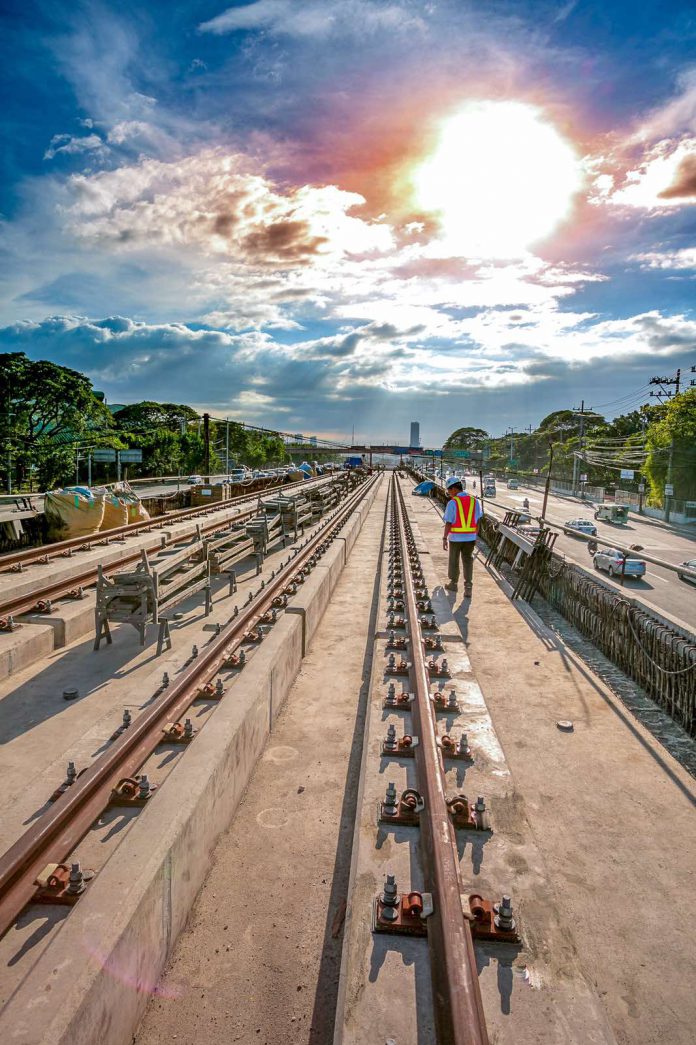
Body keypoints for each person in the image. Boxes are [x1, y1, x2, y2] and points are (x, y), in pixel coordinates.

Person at [442, 475, 482, 598]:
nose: (448, 493)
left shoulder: (452, 503)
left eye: (449, 490)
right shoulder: (474, 501)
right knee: (468, 561)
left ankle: (453, 584)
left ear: (454, 489)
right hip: (470, 538)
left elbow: (448, 522)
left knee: (454, 561)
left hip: (455, 538)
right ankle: (468, 586)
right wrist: (475, 536)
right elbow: (478, 520)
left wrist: (444, 538)